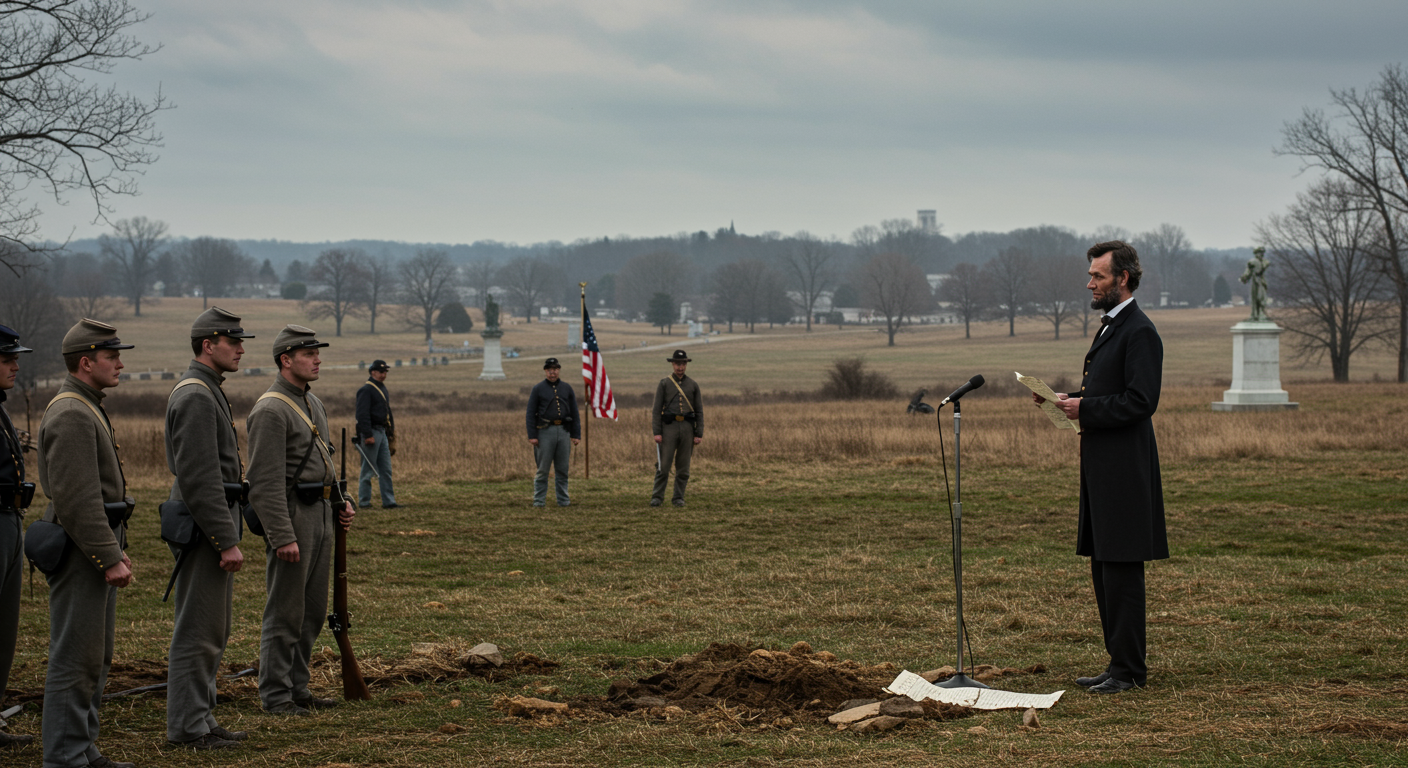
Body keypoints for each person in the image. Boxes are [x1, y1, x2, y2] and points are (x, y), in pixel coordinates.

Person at [1033, 240, 1168, 694]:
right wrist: (1065, 399)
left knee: (1122, 570)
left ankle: (1130, 671)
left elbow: (1140, 401)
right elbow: (1108, 388)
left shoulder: (1140, 331)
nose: (1090, 283)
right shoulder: (1113, 326)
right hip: (1102, 470)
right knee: (1103, 567)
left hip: (1126, 472)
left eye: (1098, 276)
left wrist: (1083, 411)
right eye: (1091, 275)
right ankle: (1117, 664)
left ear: (1122, 279)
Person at [36, 319, 137, 767]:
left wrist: (112, 550)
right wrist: (107, 555)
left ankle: (81, 747)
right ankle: (63, 756)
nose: (119, 363)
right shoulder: (73, 412)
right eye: (111, 356)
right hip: (81, 550)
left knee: (94, 655)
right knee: (75, 657)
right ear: (85, 362)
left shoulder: (85, 404)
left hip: (92, 547)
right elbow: (77, 499)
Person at [245, 325, 355, 716]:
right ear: (285, 360)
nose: (317, 358)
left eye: (317, 352)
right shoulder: (271, 409)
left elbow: (323, 462)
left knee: (311, 610)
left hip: (321, 514)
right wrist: (281, 534)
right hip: (292, 517)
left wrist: (342, 501)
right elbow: (263, 482)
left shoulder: (314, 404)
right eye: (308, 353)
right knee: (285, 611)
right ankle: (275, 695)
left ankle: (298, 688)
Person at [163, 308, 256, 750]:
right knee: (198, 632)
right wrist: (226, 539)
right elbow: (199, 478)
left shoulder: (207, 389)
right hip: (205, 530)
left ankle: (200, 716)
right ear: (207, 345)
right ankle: (187, 727)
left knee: (211, 630)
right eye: (233, 342)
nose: (240, 349)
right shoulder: (197, 394)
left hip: (209, 526)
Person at [0, 324, 34, 749]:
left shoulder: (1, 407)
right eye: (7, 359)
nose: (15, 366)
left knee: (5, 632)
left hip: (9, 519)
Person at [650, 350, 703, 508]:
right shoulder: (664, 383)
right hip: (668, 429)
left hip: (687, 428)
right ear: (672, 364)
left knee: (683, 468)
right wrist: (657, 432)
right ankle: (657, 497)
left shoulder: (693, 385)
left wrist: (698, 433)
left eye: (683, 364)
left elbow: (699, 411)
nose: (680, 367)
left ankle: (678, 497)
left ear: (686, 365)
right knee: (663, 466)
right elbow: (656, 409)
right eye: (677, 364)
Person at [526, 358, 580, 507]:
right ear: (545, 371)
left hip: (563, 432)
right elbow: (530, 413)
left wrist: (576, 434)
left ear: (559, 370)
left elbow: (574, 412)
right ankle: (539, 501)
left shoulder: (567, 388)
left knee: (562, 470)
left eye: (555, 369)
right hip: (544, 432)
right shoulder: (538, 389)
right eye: (549, 369)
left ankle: (563, 501)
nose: (552, 372)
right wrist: (532, 436)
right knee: (543, 470)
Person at [355, 359, 397, 509]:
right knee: (368, 469)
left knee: (386, 469)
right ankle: (364, 502)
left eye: (385, 371)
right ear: (373, 372)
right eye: (381, 371)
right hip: (371, 432)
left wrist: (390, 431)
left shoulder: (381, 388)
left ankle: (389, 501)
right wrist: (367, 435)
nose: (384, 374)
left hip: (382, 431)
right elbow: (362, 415)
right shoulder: (366, 390)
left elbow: (387, 411)